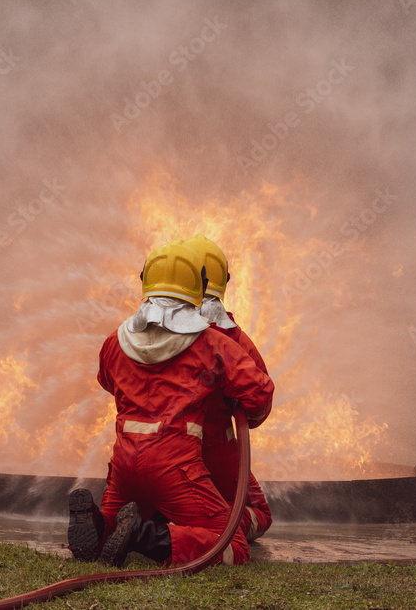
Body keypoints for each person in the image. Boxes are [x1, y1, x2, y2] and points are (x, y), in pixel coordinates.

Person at [67, 239, 273, 567]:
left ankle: (96, 525)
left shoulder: (113, 342)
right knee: (233, 545)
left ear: (145, 281)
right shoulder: (213, 344)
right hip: (176, 468)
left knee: (112, 521)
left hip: (124, 465)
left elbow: (108, 382)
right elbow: (260, 395)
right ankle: (145, 535)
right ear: (200, 286)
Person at [185, 234, 273, 542]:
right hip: (216, 452)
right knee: (257, 512)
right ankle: (212, 526)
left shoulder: (150, 332)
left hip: (160, 446)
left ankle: (133, 522)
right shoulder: (231, 338)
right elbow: (260, 395)